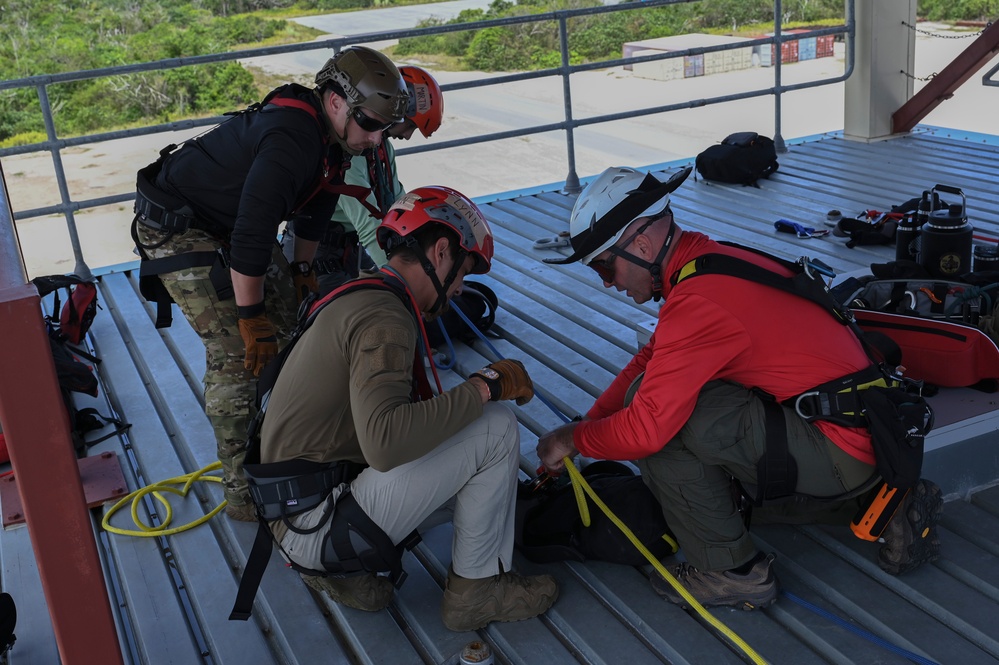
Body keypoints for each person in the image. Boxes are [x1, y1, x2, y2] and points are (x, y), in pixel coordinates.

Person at [536, 165, 943, 610]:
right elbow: (650, 359)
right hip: (861, 434)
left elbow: (647, 429)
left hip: (839, 447)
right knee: (680, 427)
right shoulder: (707, 261)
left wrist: (573, 439)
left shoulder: (698, 302)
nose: (608, 283)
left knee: (663, 424)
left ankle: (730, 572)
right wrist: (589, 424)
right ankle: (878, 509)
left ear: (642, 245)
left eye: (604, 268)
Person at [253, 186, 558, 630]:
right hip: (315, 524)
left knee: (470, 458)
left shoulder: (360, 292)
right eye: (463, 273)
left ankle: (343, 570)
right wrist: (485, 386)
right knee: (495, 428)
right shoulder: (385, 318)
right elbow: (387, 443)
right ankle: (477, 593)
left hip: (292, 514)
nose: (458, 290)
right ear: (440, 252)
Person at [130, 46, 409, 521]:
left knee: (293, 331)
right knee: (240, 352)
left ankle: (285, 448)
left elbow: (314, 207)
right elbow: (253, 235)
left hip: (231, 224)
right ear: (336, 102)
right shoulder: (292, 140)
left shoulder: (333, 141)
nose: (375, 138)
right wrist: (249, 317)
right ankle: (243, 494)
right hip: (180, 228)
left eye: (384, 128)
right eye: (369, 122)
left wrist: (302, 274)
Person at [283, 65, 446, 293]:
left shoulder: (381, 149)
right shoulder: (353, 152)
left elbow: (397, 202)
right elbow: (369, 225)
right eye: (409, 126)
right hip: (316, 254)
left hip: (347, 249)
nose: (408, 136)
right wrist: (406, 287)